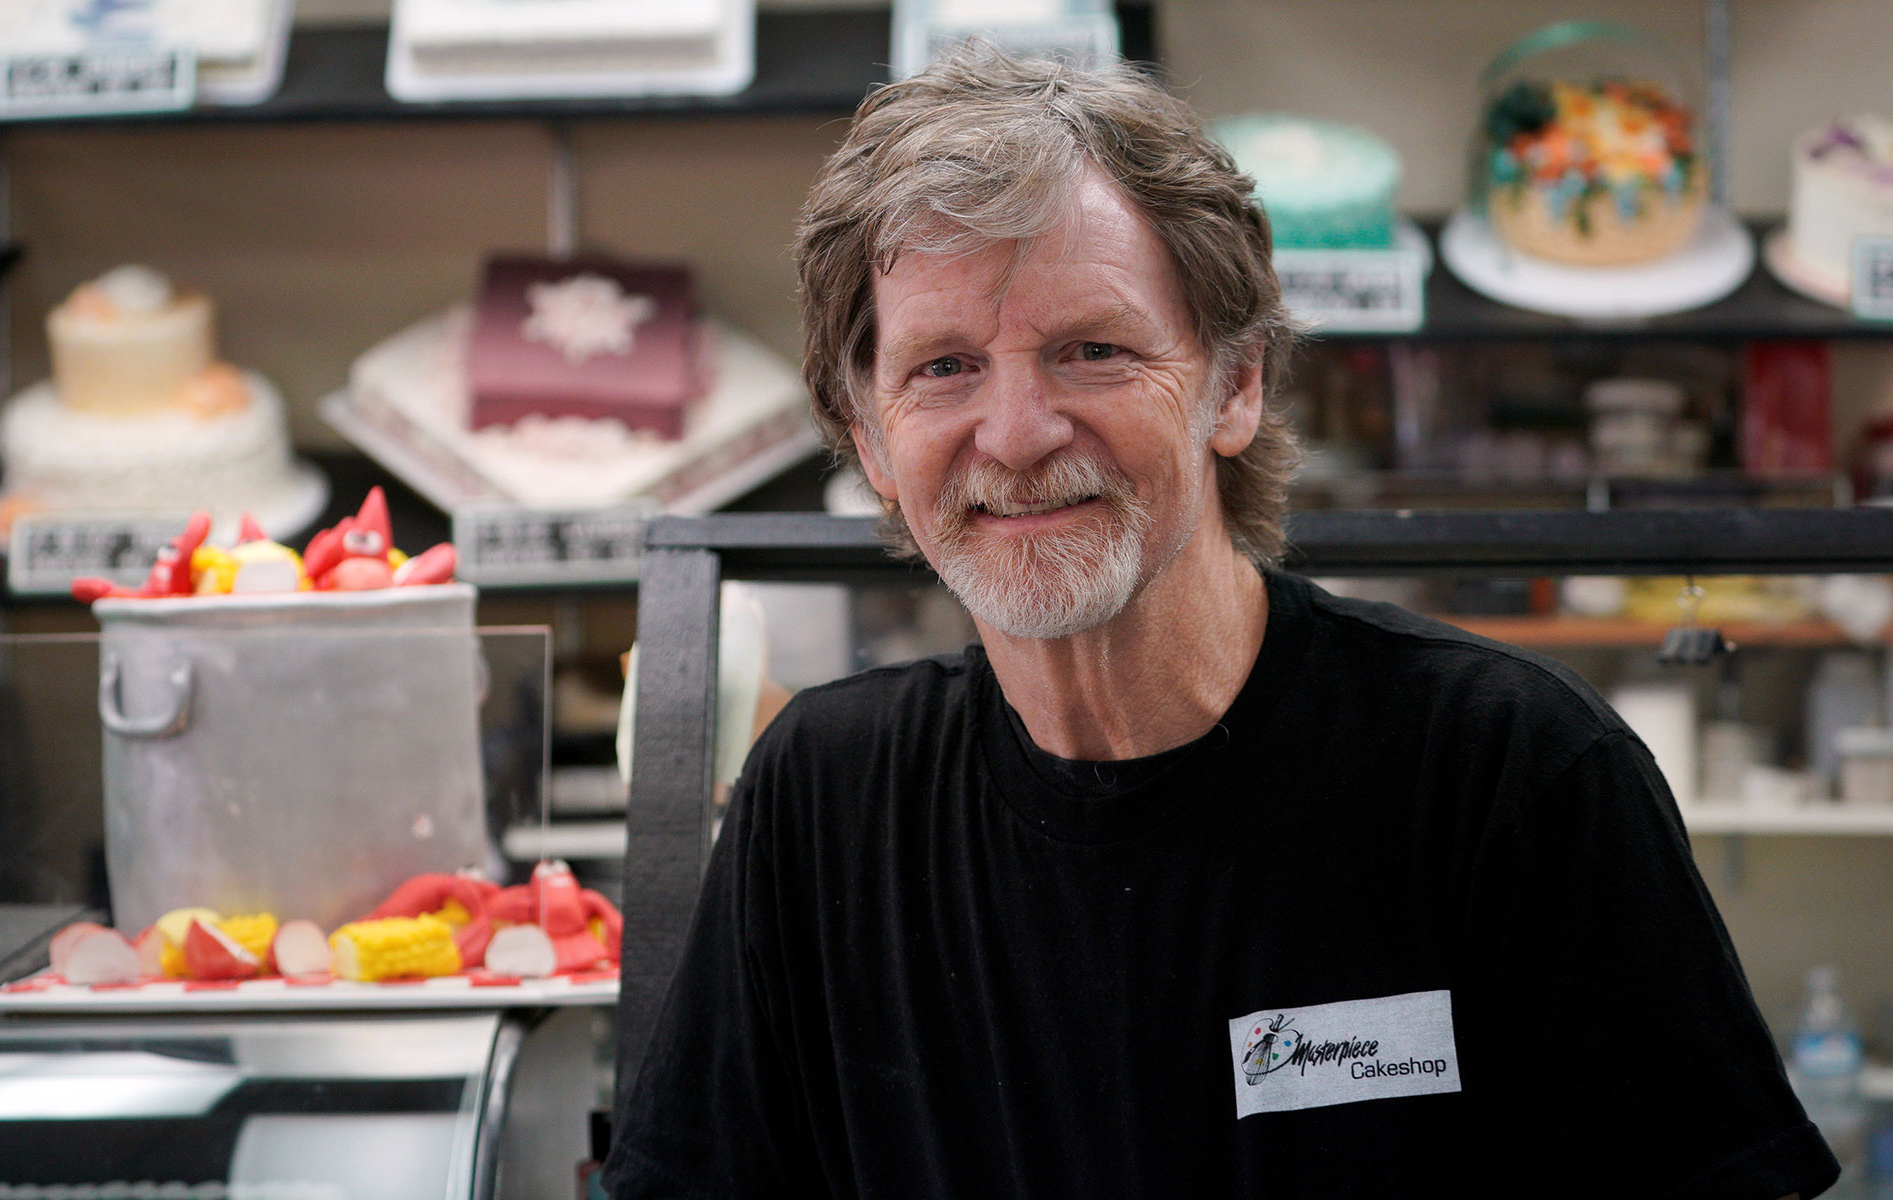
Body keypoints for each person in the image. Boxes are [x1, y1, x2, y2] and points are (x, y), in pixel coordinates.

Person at [602, 47, 1838, 1200]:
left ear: (1234, 384)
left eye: (1091, 350)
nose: (1016, 434)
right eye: (942, 368)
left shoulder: (1511, 774)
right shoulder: (822, 802)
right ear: (871, 440)